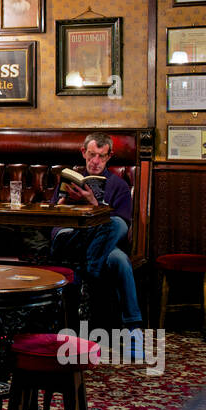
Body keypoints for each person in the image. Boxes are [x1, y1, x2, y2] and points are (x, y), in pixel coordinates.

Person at [50, 132, 142, 340]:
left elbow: (122, 227)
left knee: (119, 247)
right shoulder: (71, 179)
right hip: (71, 238)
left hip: (102, 243)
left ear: (109, 156)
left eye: (101, 156)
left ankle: (133, 329)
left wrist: (94, 203)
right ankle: (94, 266)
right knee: (97, 233)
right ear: (83, 152)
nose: (95, 161)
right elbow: (53, 219)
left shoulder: (119, 186)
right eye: (91, 155)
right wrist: (64, 201)